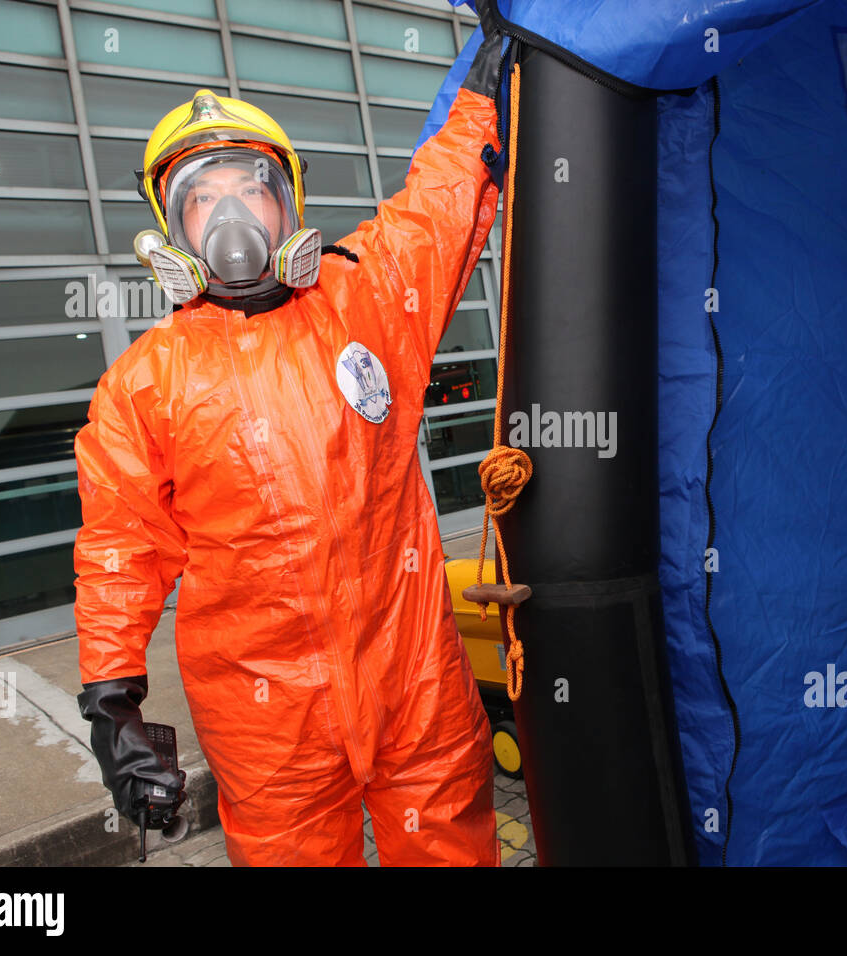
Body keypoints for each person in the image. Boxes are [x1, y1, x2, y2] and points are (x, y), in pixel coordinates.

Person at [73, 6, 509, 866]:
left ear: (287, 203)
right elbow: (121, 546)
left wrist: (494, 82)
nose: (229, 214)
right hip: (268, 733)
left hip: (414, 684)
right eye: (201, 196)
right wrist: (111, 702)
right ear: (173, 230)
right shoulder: (144, 384)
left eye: (249, 188)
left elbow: (446, 199)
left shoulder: (370, 298)